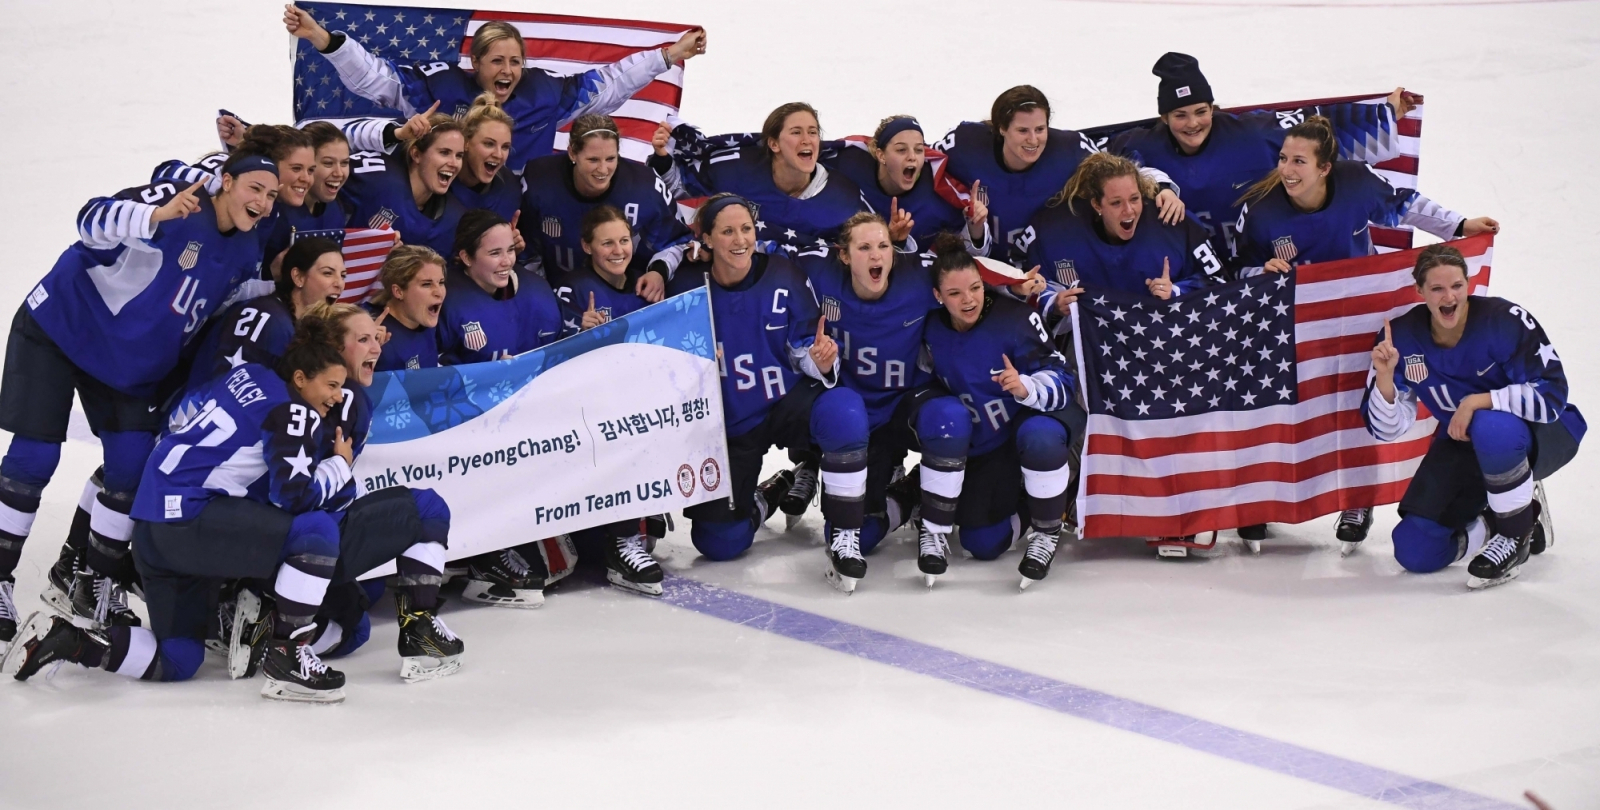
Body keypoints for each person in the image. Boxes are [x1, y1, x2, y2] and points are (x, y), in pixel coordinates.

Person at [3, 317, 462, 700]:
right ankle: (286, 656)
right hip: (189, 521)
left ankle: (70, 641)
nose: (338, 397)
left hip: (153, 531)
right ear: (300, 379)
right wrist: (339, 464)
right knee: (316, 531)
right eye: (332, 385)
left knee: (179, 658)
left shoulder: (250, 376)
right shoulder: (294, 412)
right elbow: (295, 498)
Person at [0, 155, 280, 652]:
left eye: (271, 195)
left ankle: (93, 583)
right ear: (227, 181)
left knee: (130, 469)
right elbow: (90, 219)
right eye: (254, 188)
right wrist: (153, 217)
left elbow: (222, 304)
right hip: (62, 327)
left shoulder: (247, 246)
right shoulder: (180, 201)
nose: (262, 202)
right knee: (33, 458)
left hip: (126, 363)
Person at [1237, 114, 1500, 549]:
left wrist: (1459, 226)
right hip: (1297, 324)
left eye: (1299, 161)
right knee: (1287, 408)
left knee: (1357, 400)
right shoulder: (1261, 210)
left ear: (1325, 167)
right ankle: (1266, 501)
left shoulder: (1357, 183)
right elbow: (1236, 270)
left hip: (1359, 315)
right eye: (1283, 158)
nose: (1287, 169)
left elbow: (1406, 204)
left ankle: (1358, 499)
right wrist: (1258, 271)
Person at [667, 195, 872, 591]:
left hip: (785, 402)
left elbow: (802, 349)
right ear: (706, 238)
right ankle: (771, 493)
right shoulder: (686, 286)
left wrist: (820, 361)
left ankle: (845, 535)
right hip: (731, 422)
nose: (740, 239)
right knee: (718, 543)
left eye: (746, 229)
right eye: (727, 231)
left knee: (844, 411)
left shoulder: (783, 273)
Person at [1362, 244, 1581, 588]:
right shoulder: (1400, 338)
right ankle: (1509, 519)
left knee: (1490, 425)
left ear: (1468, 284)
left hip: (1543, 432)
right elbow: (1385, 430)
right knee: (1415, 550)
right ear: (1419, 291)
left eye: (1457, 286)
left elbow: (1552, 396)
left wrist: (1478, 401)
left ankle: (1514, 536)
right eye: (1437, 288)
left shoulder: (1504, 320)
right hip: (1464, 442)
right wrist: (1386, 378)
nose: (1449, 296)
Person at [283, 4, 708, 169]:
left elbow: (612, 83)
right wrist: (322, 39)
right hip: (444, 205)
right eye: (498, 61)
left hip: (511, 215)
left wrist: (669, 54)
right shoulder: (441, 89)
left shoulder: (544, 95)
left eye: (515, 62)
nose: (508, 70)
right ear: (475, 64)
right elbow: (375, 76)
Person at [1110, 52, 1415, 258]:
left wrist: (1382, 115)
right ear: (1164, 117)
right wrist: (1157, 186)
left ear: (1213, 108)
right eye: (1180, 115)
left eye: (1201, 111)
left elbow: (1315, 130)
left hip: (1259, 261)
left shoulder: (1253, 134)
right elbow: (1104, 164)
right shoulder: (1142, 145)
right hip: (1192, 271)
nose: (1193, 123)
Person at [912, 236, 1080, 590]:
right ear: (938, 296)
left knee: (1039, 437)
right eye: (955, 293)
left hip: (1031, 424)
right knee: (983, 543)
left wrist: (1026, 387)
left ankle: (1048, 525)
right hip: (987, 442)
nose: (968, 300)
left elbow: (1065, 381)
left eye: (975, 288)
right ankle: (921, 490)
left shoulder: (1015, 318)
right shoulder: (929, 327)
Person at [794, 213, 937, 577]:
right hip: (848, 419)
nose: (876, 255)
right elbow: (765, 259)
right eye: (865, 247)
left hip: (897, 412)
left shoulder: (919, 277)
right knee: (846, 533)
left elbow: (971, 280)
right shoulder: (818, 271)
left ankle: (909, 491)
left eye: (884, 246)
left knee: (946, 418)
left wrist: (1021, 290)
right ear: (844, 255)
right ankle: (807, 466)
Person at [933, 85, 1180, 262]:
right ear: (1002, 129)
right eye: (1022, 131)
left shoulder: (1069, 151)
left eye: (1040, 129)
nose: (1033, 140)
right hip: (977, 268)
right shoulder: (965, 144)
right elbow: (923, 159)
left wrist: (1163, 188)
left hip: (1041, 270)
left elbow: (1119, 169)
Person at [664, 103, 873, 251]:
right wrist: (662, 159)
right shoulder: (736, 167)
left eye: (813, 132)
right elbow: (676, 188)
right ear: (774, 144)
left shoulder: (846, 200)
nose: (807, 140)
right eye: (796, 132)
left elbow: (867, 251)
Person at [1027, 151, 1223, 304]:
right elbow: (1030, 287)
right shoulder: (1056, 233)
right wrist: (1054, 303)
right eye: (1116, 203)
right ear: (1097, 205)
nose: (1129, 210)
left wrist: (1177, 291)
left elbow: (1219, 282)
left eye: (1135, 199)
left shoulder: (1174, 222)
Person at [520, 114, 688, 292]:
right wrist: (542, 296)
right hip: (557, 291)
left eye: (610, 159)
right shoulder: (538, 181)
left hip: (629, 294)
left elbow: (678, 241)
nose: (603, 169)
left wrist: (659, 272)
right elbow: (525, 253)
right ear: (572, 153)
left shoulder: (646, 186)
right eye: (593, 160)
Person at [183, 236, 347, 392]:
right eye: (328, 273)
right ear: (298, 277)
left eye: (343, 275)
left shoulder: (290, 323)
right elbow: (227, 388)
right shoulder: (267, 318)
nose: (339, 283)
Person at [154, 124, 318, 277]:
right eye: (296, 168)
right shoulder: (224, 176)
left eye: (311, 170)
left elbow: (244, 277)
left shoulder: (270, 209)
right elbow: (165, 170)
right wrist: (216, 186)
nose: (306, 178)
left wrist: (273, 277)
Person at [827, 115, 991, 253]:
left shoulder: (939, 196)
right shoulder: (849, 164)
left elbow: (968, 259)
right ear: (881, 155)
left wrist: (975, 229)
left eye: (919, 150)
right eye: (901, 150)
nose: (912, 157)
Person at [339, 111, 467, 259]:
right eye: (444, 153)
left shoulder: (453, 217)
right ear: (416, 154)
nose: (454, 163)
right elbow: (334, 143)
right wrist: (395, 133)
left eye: (459, 156)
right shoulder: (377, 179)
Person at [370, 245, 447, 373]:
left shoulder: (427, 320)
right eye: (426, 284)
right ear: (398, 291)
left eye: (441, 282)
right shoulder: (368, 329)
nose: (439, 292)